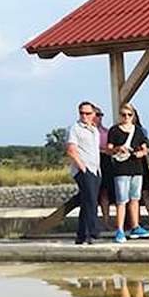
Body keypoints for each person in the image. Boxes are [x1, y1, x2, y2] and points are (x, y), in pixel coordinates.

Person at [106, 103, 149, 243]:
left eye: (129, 115)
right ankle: (120, 229)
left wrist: (141, 153)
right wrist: (118, 149)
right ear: (120, 116)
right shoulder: (114, 130)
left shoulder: (138, 131)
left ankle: (135, 225)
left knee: (135, 198)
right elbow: (109, 149)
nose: (126, 117)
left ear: (133, 116)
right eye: (123, 115)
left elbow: (146, 148)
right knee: (121, 200)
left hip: (136, 168)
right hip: (121, 170)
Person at [67, 102, 103, 245]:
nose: (84, 116)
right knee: (91, 201)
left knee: (87, 201)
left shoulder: (94, 130)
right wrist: (82, 167)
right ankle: (93, 232)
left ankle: (82, 234)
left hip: (95, 169)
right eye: (82, 113)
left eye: (88, 113)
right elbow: (71, 149)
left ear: (94, 115)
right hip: (84, 169)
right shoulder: (75, 129)